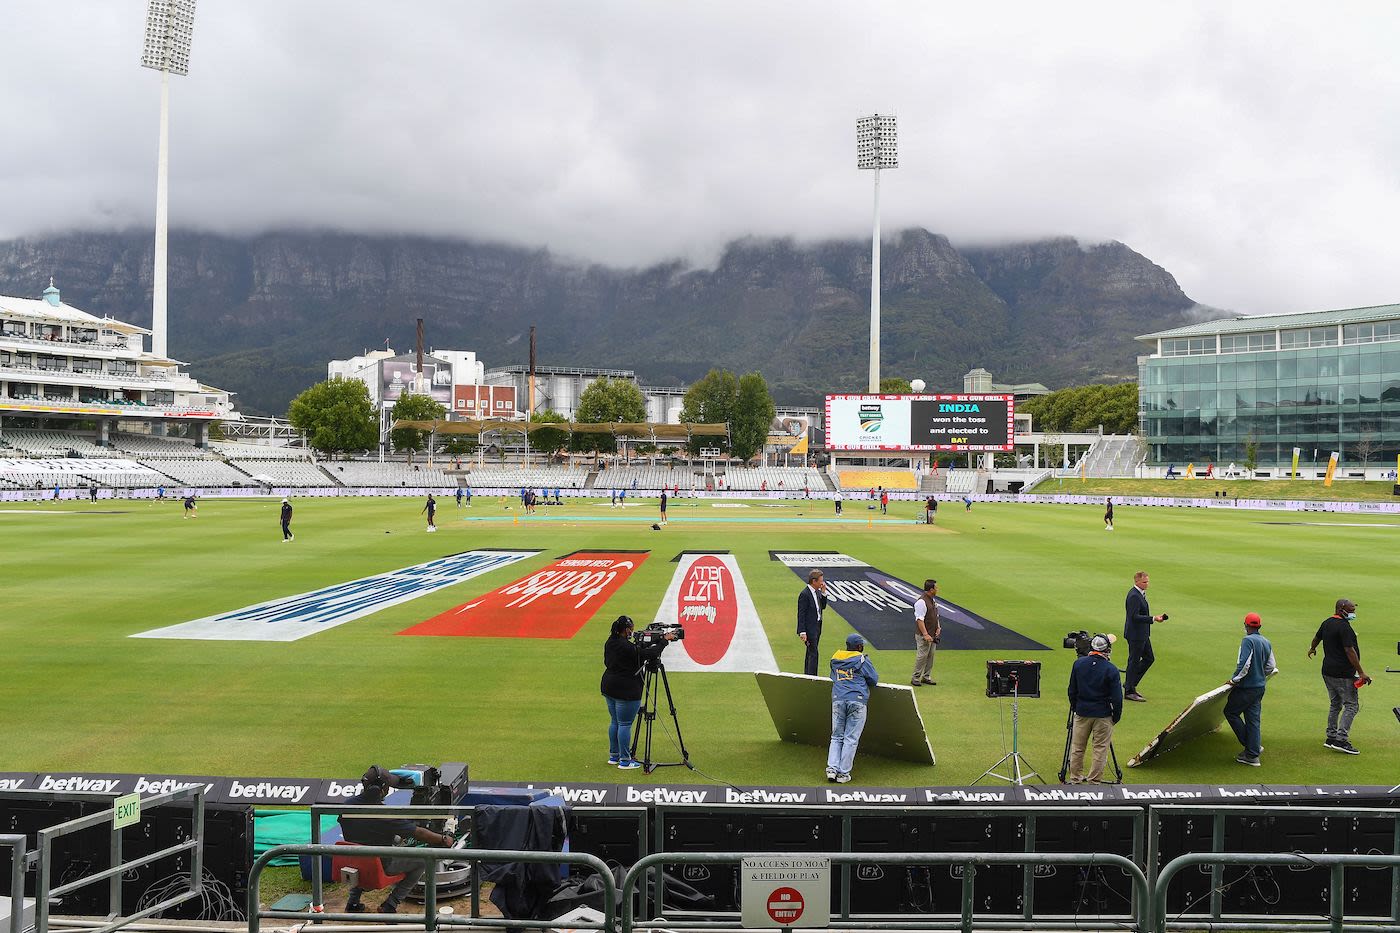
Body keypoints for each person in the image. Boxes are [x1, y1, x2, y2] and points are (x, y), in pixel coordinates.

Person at [339, 765, 455, 914]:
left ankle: (353, 903)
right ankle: (390, 904)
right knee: (422, 861)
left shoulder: (347, 805)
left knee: (365, 850)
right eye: (387, 786)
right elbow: (418, 832)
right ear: (382, 789)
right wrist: (443, 839)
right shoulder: (385, 815)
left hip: (354, 864)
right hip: (379, 866)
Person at [600, 615, 673, 769]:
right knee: (625, 724)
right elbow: (650, 655)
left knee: (615, 722)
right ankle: (625, 761)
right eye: (631, 629)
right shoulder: (626, 647)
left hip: (609, 686)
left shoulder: (611, 642)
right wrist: (664, 641)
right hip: (626, 689)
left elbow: (637, 651)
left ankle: (614, 756)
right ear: (626, 630)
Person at [1308, 598, 1372, 754]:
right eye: (1351, 610)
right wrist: (1361, 672)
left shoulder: (1327, 622)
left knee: (1335, 703)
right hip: (1342, 673)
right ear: (1341, 609)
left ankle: (1331, 737)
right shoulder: (1344, 628)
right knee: (1351, 705)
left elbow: (1317, 637)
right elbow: (1350, 651)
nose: (1353, 613)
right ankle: (1341, 740)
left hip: (1327, 671)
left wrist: (1312, 648)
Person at [1066, 634, 1124, 783]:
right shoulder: (1111, 669)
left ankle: (1075, 779)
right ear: (1107, 650)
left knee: (1078, 748)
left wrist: (1076, 707)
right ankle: (1093, 782)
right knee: (1100, 749)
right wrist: (1115, 716)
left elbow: (1072, 690)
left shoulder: (1078, 664)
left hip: (1082, 712)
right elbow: (1117, 698)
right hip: (1103, 714)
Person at [1224, 612, 1278, 766]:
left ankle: (1252, 748)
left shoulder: (1248, 641)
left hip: (1246, 687)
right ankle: (1253, 752)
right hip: (1260, 686)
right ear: (1259, 626)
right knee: (1253, 719)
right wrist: (1260, 675)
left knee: (1231, 712)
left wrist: (1234, 680)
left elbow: (1244, 665)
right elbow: (1271, 666)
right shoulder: (1266, 641)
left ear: (1246, 625)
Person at [827, 633, 879, 784]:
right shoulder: (862, 660)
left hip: (838, 699)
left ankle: (831, 769)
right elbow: (874, 680)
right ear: (859, 647)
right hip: (857, 700)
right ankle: (843, 774)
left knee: (836, 736)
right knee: (851, 739)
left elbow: (834, 677)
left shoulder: (835, 660)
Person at [1122, 570, 1166, 702]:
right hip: (1136, 634)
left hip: (1142, 634)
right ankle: (1129, 690)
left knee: (1148, 658)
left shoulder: (1139, 594)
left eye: (1147, 581)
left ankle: (1130, 683)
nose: (1147, 584)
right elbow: (1134, 617)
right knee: (1134, 661)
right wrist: (1153, 618)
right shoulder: (1134, 596)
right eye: (1144, 582)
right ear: (1137, 581)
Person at [796, 569, 827, 676]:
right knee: (814, 652)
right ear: (814, 581)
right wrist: (802, 631)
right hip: (809, 629)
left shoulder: (817, 592)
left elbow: (823, 606)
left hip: (817, 626)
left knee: (810, 651)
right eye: (820, 581)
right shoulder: (805, 594)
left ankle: (807, 674)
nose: (822, 583)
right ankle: (813, 676)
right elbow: (801, 614)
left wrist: (823, 593)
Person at [911, 579, 940, 686]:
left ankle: (926, 676)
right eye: (936, 587)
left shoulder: (932, 600)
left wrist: (938, 627)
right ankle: (915, 677)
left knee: (930, 655)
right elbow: (919, 619)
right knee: (922, 656)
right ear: (931, 589)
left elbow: (935, 616)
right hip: (924, 635)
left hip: (932, 634)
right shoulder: (921, 602)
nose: (937, 589)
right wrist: (925, 634)